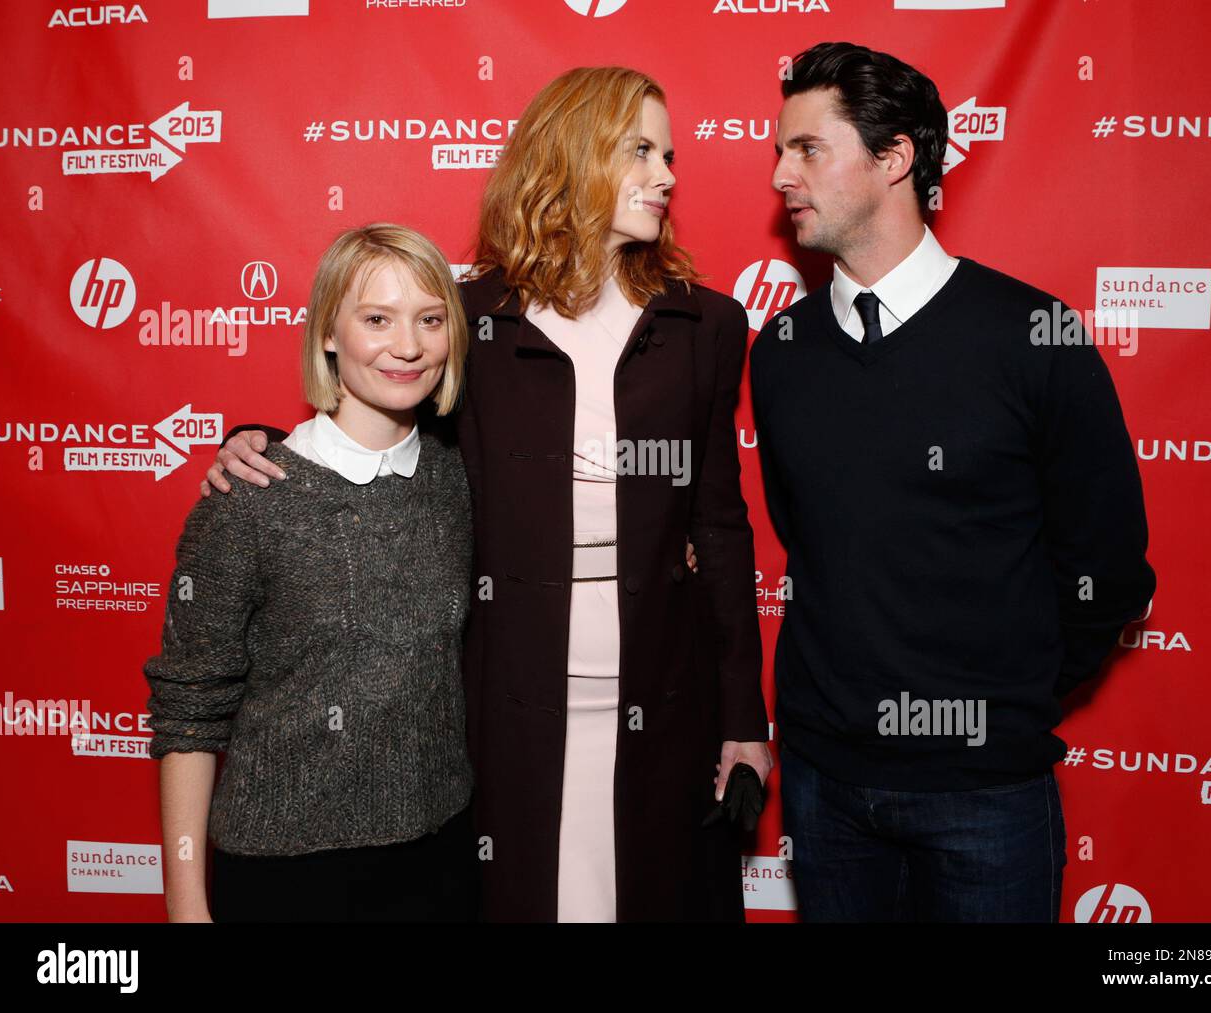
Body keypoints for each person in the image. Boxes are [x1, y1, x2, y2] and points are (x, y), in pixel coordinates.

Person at [202, 67, 771, 922]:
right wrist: (262, 441)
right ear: (571, 157)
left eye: (670, 154)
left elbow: (720, 527)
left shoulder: (707, 325)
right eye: (640, 151)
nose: (667, 176)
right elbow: (385, 412)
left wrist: (745, 721)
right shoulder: (473, 320)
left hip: (662, 699)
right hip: (505, 703)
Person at [753, 42, 1157, 922]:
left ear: (895, 158)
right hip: (825, 789)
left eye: (807, 148)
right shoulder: (780, 352)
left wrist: (1002, 700)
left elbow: (1108, 566)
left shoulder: (1032, 336)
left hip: (984, 792)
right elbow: (814, 535)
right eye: (780, 148)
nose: (781, 173)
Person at [146, 223, 476, 922]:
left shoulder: (456, 476)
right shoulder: (250, 496)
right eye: (377, 319)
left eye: (430, 319)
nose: (408, 345)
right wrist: (184, 903)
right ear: (329, 332)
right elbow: (189, 710)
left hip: (442, 860)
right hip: (285, 873)